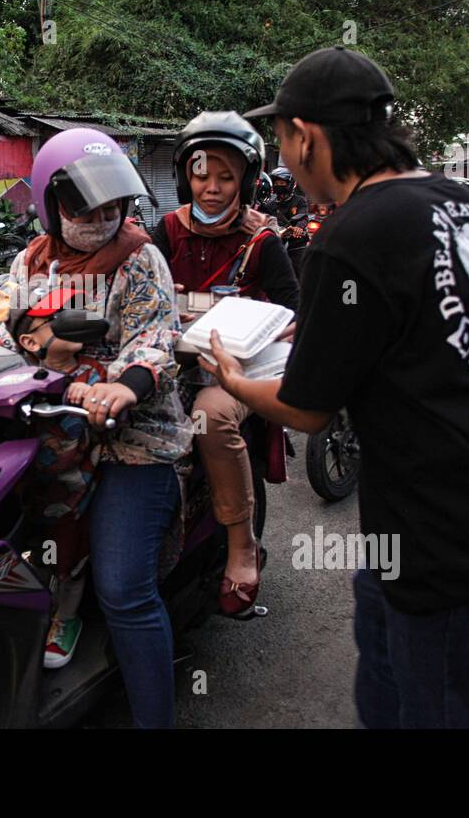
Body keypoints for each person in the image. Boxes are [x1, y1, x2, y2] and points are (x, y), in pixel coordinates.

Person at [200, 46, 469, 728]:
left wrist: (234, 379)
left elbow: (304, 409)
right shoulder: (453, 199)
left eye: (282, 140)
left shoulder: (350, 233)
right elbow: (422, 328)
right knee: (384, 690)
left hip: (466, 546)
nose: (285, 159)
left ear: (305, 136)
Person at [10, 128, 192, 728]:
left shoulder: (141, 260)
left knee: (123, 591)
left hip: (129, 441)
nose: (100, 217)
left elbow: (155, 337)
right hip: (43, 430)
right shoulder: (31, 262)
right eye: (83, 206)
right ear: (48, 202)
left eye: (112, 204)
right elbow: (1, 329)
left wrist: (124, 384)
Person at [153, 111, 299, 615]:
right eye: (200, 174)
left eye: (225, 177)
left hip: (230, 374)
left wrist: (252, 331)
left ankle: (242, 546)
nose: (211, 188)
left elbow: (295, 313)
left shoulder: (263, 241)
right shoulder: (166, 231)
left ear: (246, 181)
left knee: (211, 416)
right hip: (168, 364)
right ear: (184, 176)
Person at [0, 279, 105, 668]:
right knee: (30, 553)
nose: (70, 321)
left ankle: (66, 619)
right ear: (31, 344)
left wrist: (95, 396)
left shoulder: (92, 373)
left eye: (70, 314)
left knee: (70, 560)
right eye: (55, 319)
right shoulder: (20, 372)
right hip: (24, 487)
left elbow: (108, 414)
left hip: (73, 492)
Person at [262, 166, 312, 275]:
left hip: (296, 244)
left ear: (290, 184)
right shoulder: (270, 204)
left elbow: (303, 216)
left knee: (298, 273)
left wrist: (298, 227)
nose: (279, 186)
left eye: (282, 183)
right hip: (277, 242)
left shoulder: (300, 201)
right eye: (277, 183)